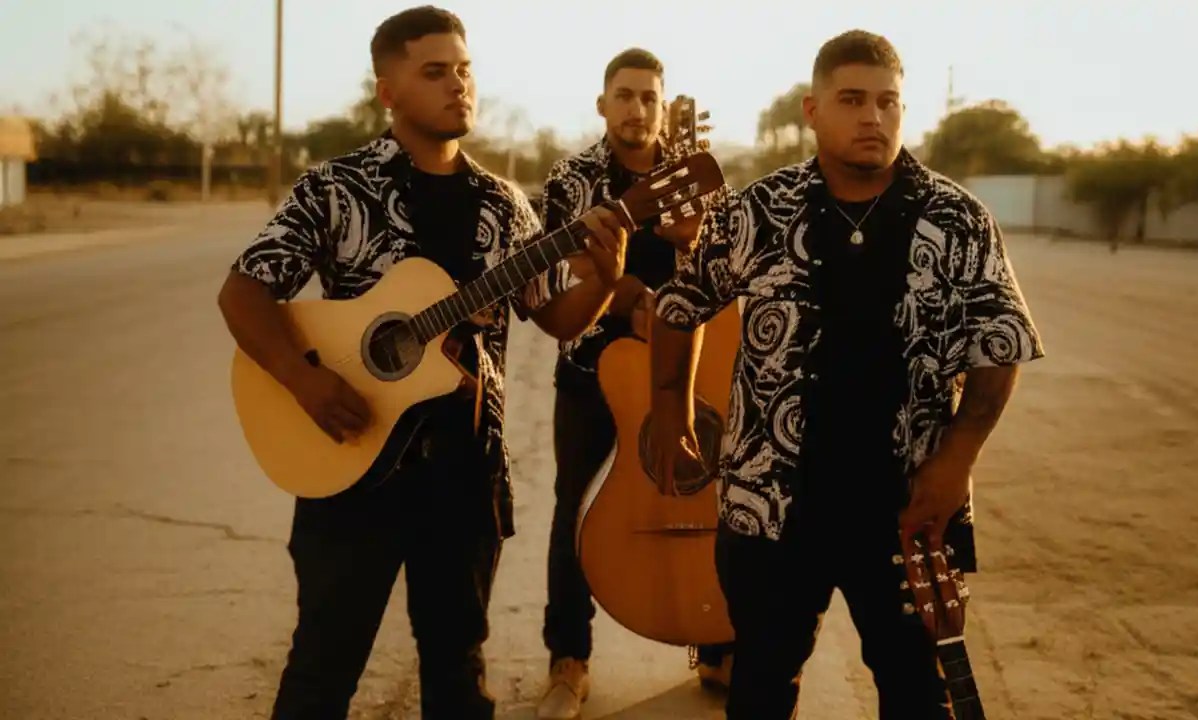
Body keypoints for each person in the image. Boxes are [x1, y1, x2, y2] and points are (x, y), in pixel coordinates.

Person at [215, 7, 630, 719]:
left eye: (464, 70)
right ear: (388, 91)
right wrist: (305, 380)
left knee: (458, 676)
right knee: (322, 669)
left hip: (465, 475)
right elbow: (243, 292)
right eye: (434, 72)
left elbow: (556, 318)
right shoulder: (336, 188)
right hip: (348, 461)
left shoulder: (504, 206)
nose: (457, 85)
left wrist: (603, 280)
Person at [648, 29, 1045, 719]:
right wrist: (671, 410)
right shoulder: (759, 212)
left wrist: (955, 463)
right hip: (772, 507)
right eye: (852, 100)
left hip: (909, 509)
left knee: (918, 690)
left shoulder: (957, 220)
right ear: (813, 109)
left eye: (888, 102)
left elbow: (999, 344)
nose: (873, 117)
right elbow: (679, 308)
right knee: (761, 684)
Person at [533, 47, 733, 720]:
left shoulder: (697, 177)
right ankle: (569, 660)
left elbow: (728, 272)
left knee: (709, 499)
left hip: (687, 372)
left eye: (649, 96)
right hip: (594, 367)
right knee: (574, 510)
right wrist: (631, 303)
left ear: (665, 105)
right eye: (624, 95)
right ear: (602, 104)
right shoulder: (573, 178)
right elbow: (564, 273)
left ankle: (714, 641)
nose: (637, 108)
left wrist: (691, 237)